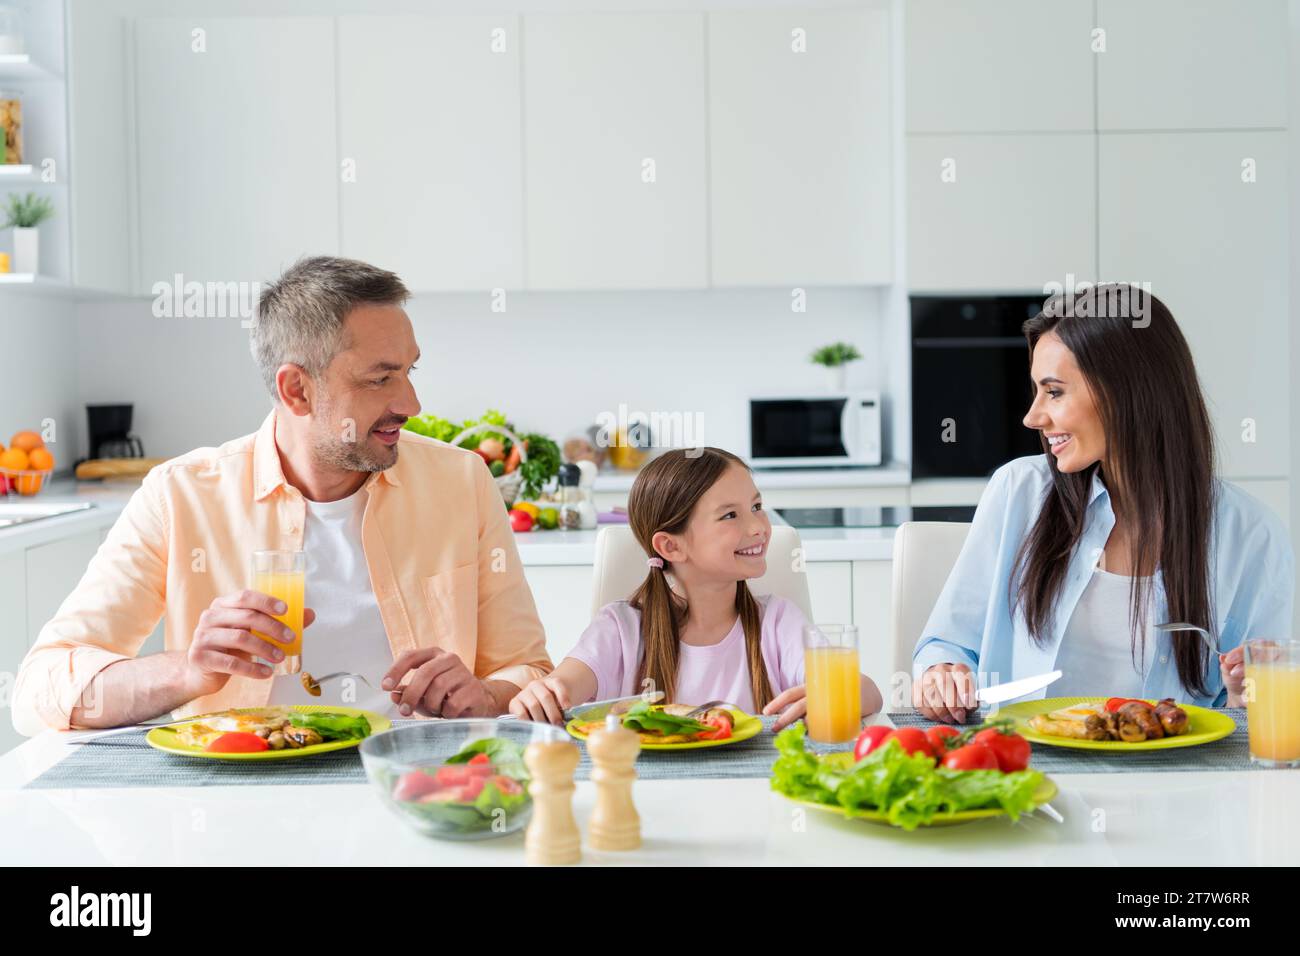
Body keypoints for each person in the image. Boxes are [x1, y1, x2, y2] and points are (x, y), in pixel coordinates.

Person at [12, 256, 552, 735]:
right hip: (242, 796)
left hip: (419, 785)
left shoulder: (460, 481)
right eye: (380, 378)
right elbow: (37, 691)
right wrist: (188, 672)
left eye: (410, 371)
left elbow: (529, 670)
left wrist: (486, 695)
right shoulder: (180, 496)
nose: (410, 402)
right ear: (297, 389)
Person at [913, 284, 1294, 723]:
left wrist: (1245, 696)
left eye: (1054, 392)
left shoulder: (1252, 536)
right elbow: (946, 644)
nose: (1033, 417)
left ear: (1127, 392)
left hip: (1173, 781)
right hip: (1028, 772)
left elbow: (1256, 713)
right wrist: (941, 673)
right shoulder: (1018, 492)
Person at [510, 447, 883, 730]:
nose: (759, 527)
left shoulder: (778, 621)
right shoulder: (620, 628)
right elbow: (563, 686)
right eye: (730, 515)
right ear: (671, 546)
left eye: (756, 506)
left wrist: (836, 694)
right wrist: (543, 693)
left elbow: (869, 692)